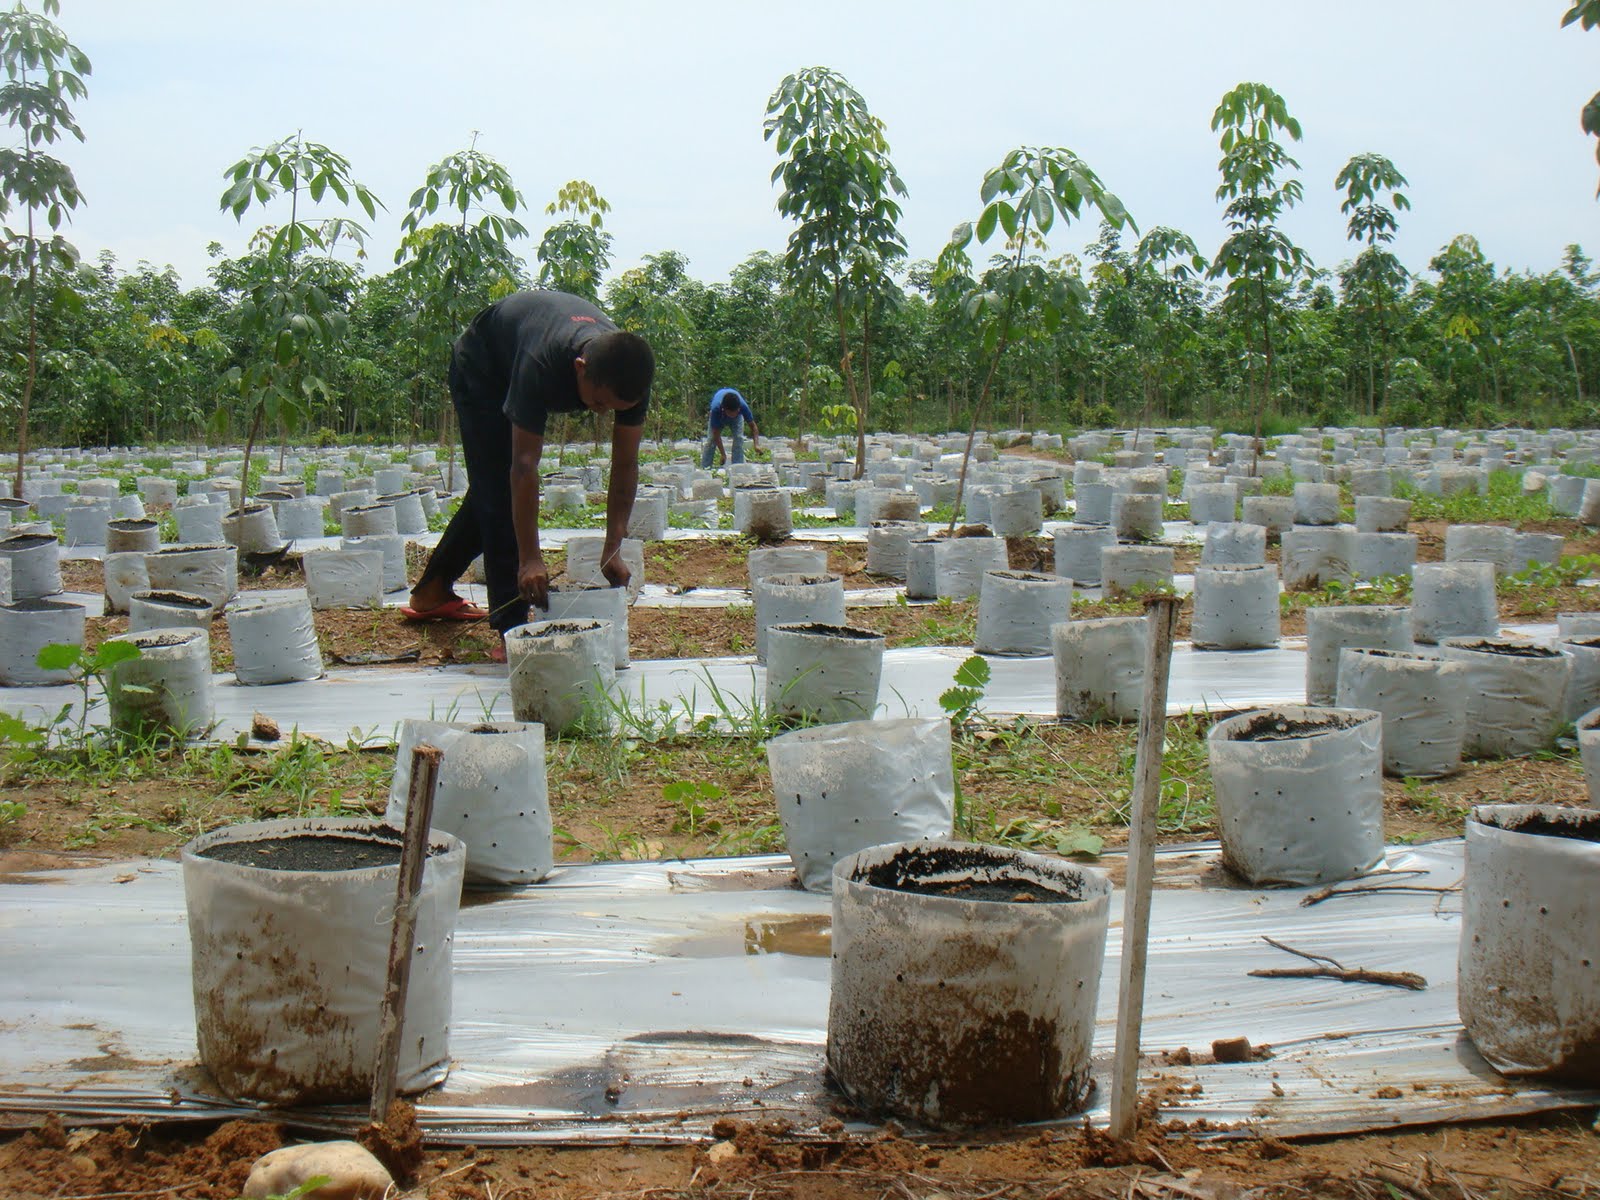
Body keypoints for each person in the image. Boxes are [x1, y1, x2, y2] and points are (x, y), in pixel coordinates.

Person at [403, 290, 655, 656]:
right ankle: (514, 627)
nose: (603, 414)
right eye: (598, 403)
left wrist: (613, 546)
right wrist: (531, 559)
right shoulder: (543, 363)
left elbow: (625, 464)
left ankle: (432, 591)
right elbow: (524, 467)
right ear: (580, 368)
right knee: (498, 488)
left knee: (492, 491)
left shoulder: (628, 376)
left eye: (615, 409)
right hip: (483, 367)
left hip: (520, 349)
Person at [699, 387, 759, 468]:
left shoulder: (743, 407)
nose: (732, 415)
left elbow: (753, 426)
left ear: (738, 409)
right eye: (730, 413)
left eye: (735, 412)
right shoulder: (716, 409)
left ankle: (737, 468)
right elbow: (716, 434)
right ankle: (705, 467)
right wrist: (723, 454)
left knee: (739, 439)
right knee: (711, 440)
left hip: (737, 418)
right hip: (721, 416)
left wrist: (756, 444)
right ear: (724, 409)